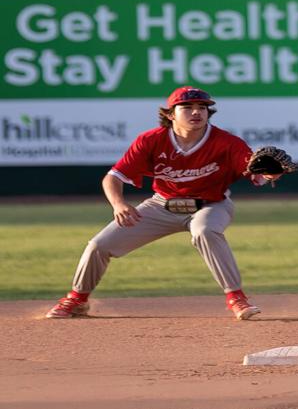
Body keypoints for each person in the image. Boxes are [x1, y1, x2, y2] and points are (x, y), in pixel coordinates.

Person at [44, 86, 282, 320]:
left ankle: (236, 298)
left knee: (205, 231)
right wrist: (118, 204)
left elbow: (255, 173)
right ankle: (76, 300)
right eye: (187, 107)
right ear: (170, 114)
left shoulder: (227, 142)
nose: (196, 112)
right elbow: (113, 177)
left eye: (202, 107)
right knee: (98, 245)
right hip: (162, 205)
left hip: (211, 205)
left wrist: (270, 174)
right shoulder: (150, 140)